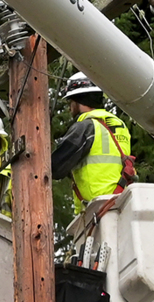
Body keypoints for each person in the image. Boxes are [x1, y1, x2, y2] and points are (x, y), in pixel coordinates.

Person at [51, 72, 134, 213]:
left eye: (71, 102)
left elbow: (55, 167)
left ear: (79, 100)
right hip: (122, 202)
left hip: (99, 206)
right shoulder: (119, 125)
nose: (70, 107)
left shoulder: (86, 126)